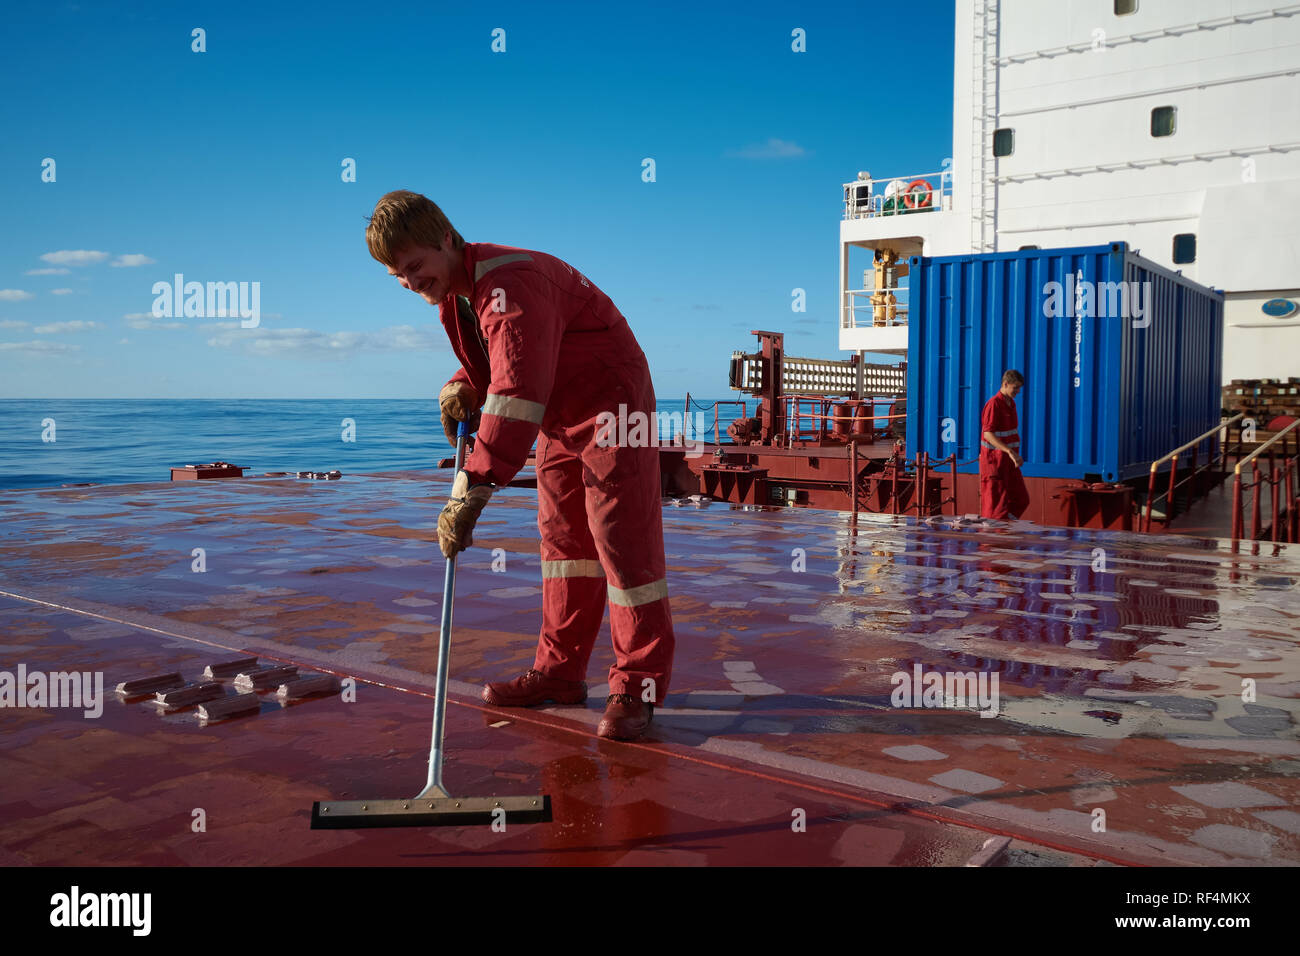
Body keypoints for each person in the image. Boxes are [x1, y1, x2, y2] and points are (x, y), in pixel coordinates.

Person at [364, 190, 675, 741]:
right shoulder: (457, 294)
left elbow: (516, 392)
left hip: (613, 405)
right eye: (396, 275)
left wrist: (471, 489)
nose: (409, 282)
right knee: (564, 544)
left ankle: (637, 685)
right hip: (559, 411)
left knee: (623, 545)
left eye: (414, 266)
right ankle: (559, 673)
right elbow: (502, 361)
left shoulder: (509, 281)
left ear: (446, 239)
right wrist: (460, 384)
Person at [980, 369, 1030, 520]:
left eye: (1019, 388)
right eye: (1015, 387)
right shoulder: (994, 404)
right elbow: (988, 433)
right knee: (995, 508)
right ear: (1005, 384)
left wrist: (1013, 455)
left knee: (1021, 499)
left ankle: (1005, 528)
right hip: (995, 464)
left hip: (1009, 463)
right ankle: (993, 539)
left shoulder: (1011, 404)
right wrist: (1009, 451)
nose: (1018, 391)